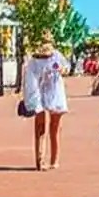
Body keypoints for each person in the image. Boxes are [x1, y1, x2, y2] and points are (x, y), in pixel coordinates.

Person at [22, 32, 70, 171]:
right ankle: (40, 158)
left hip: (55, 92)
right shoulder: (33, 61)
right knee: (40, 127)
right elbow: (30, 81)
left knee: (54, 128)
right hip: (40, 93)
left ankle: (54, 160)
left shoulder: (56, 55)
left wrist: (63, 70)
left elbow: (66, 67)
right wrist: (32, 99)